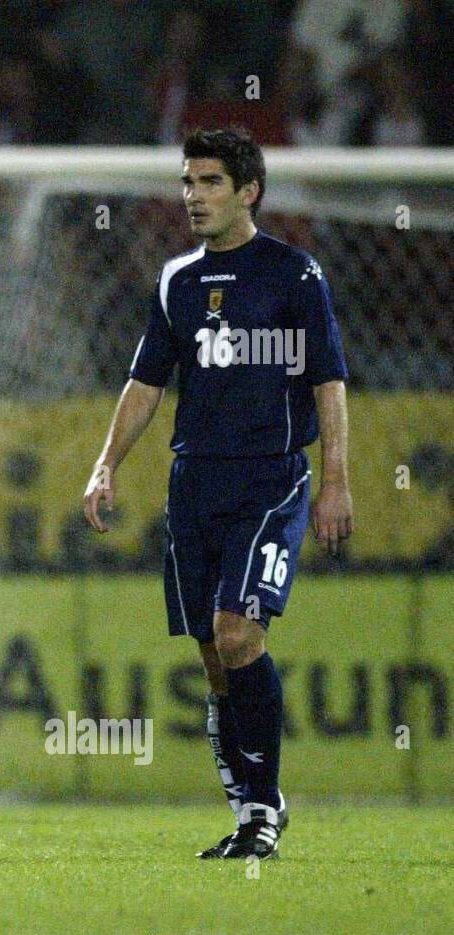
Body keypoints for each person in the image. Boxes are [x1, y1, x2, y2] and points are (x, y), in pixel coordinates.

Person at [82, 128, 354, 858]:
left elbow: (329, 379)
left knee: (239, 634)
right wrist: (105, 462)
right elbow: (146, 382)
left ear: (248, 192)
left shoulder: (294, 275)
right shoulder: (177, 280)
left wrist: (335, 480)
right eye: (188, 182)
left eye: (208, 182)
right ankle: (246, 809)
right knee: (213, 655)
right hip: (193, 482)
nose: (192, 196)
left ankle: (264, 806)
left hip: (270, 477)